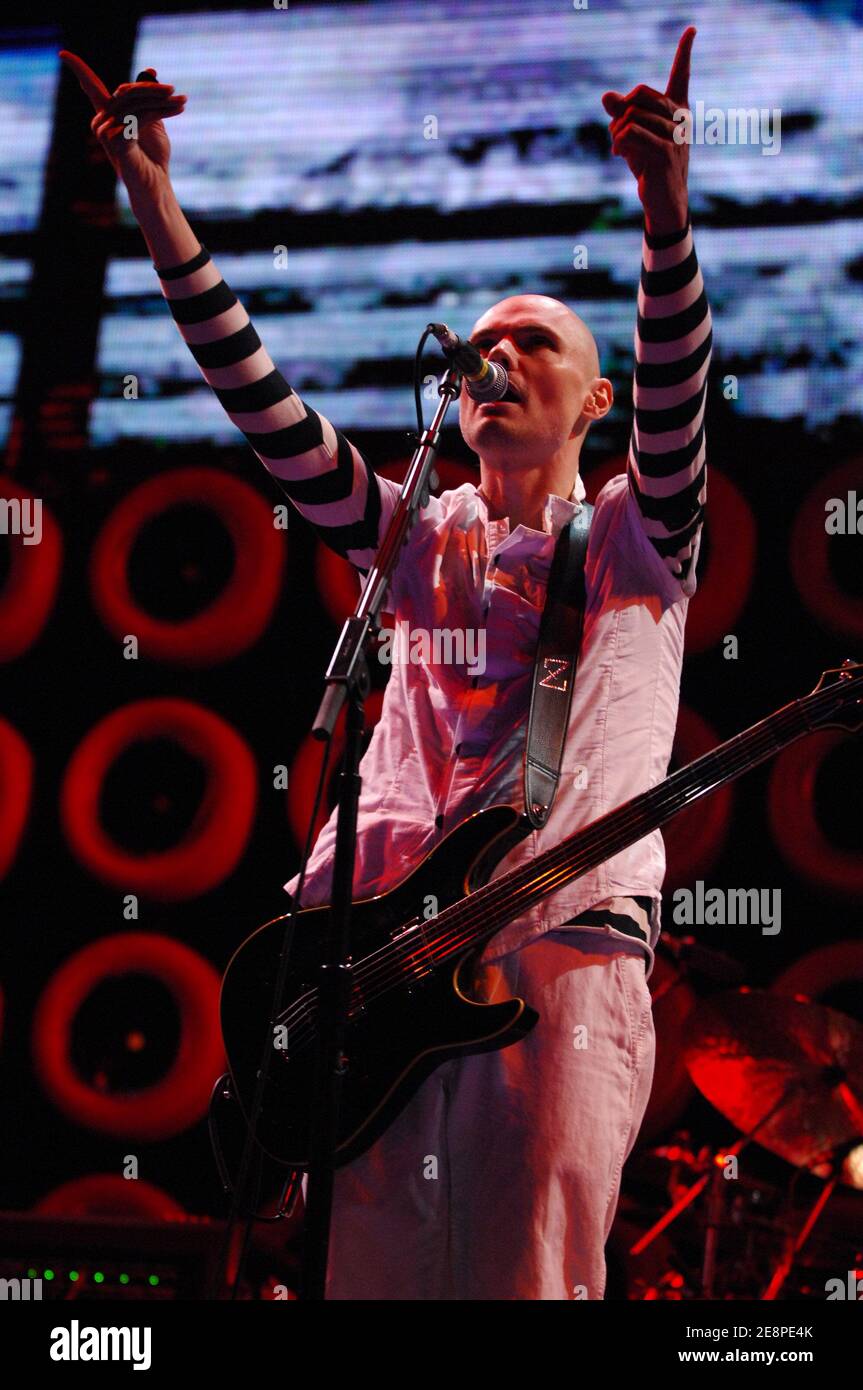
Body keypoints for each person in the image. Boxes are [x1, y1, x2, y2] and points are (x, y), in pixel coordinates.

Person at [62, 23, 712, 1300]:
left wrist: (665, 216)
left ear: (594, 402)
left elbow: (680, 404)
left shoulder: (639, 537)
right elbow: (262, 403)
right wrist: (155, 199)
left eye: (533, 341)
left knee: (524, 1274)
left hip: (549, 949)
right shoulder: (412, 534)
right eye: (480, 344)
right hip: (368, 973)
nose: (497, 356)